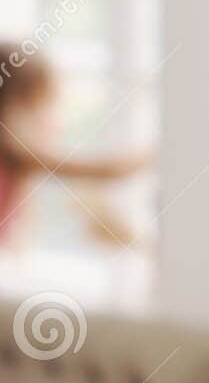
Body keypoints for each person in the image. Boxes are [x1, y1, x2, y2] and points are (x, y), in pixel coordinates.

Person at [0, 45, 148, 248]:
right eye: (44, 106)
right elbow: (111, 169)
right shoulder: (16, 153)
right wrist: (166, 147)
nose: (56, 121)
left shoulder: (19, 161)